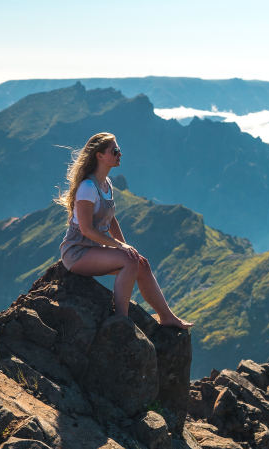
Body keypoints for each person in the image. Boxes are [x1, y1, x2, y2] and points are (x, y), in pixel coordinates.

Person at [57, 132, 193, 329]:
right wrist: (120, 246)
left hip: (93, 249)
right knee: (129, 262)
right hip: (77, 252)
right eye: (115, 151)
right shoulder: (87, 187)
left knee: (140, 264)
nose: (120, 154)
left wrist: (126, 246)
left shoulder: (106, 184)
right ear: (100, 156)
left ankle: (167, 316)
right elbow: (86, 229)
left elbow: (110, 218)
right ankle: (121, 319)